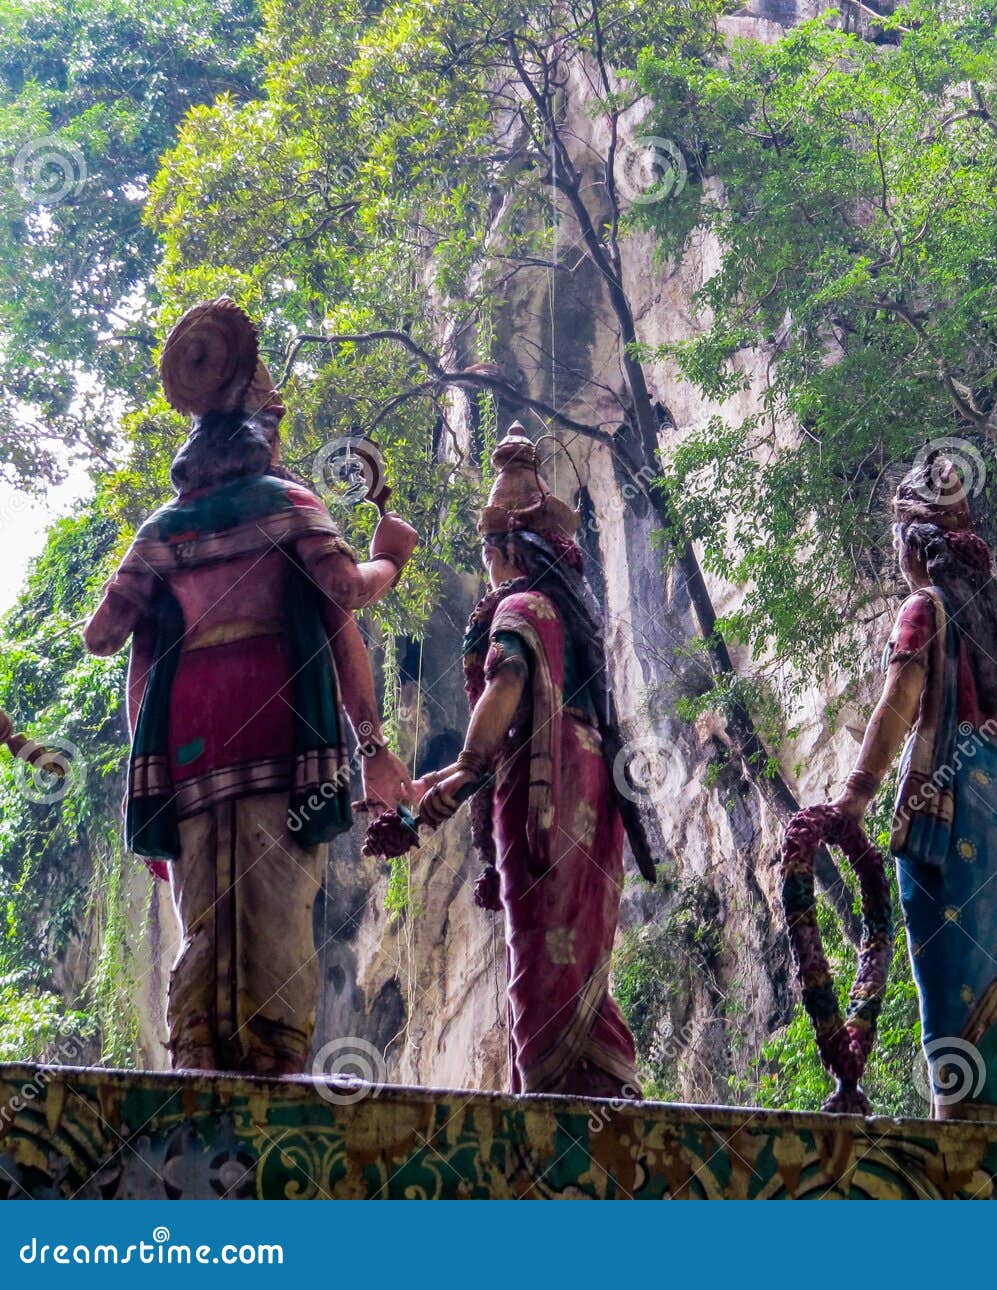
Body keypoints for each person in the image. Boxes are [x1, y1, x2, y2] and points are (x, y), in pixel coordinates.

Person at [83, 298, 417, 1076]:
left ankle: (198, 1059)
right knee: (275, 905)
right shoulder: (287, 503)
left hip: (187, 750)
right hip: (278, 732)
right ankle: (271, 1069)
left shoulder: (161, 529)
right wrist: (391, 557)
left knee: (203, 911)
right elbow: (345, 595)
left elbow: (104, 637)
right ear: (260, 424)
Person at [416, 431, 658, 1097]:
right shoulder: (569, 616)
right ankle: (602, 1084)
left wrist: (467, 766)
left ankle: (558, 1104)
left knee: (540, 946)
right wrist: (443, 778)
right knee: (575, 947)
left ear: (506, 551)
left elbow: (507, 681)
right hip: (591, 780)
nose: (487, 563)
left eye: (488, 550)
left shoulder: (519, 608)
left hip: (540, 784)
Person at [829, 454, 997, 1122]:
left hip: (947, 809)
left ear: (913, 547)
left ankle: (969, 1147)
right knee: (987, 992)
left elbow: (899, 700)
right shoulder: (996, 638)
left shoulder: (924, 609)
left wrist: (856, 794)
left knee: (949, 985)